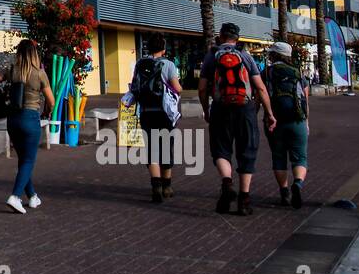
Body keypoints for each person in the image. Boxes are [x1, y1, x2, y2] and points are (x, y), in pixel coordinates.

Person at [198, 23, 276, 216]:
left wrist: (206, 109)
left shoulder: (211, 56)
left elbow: (201, 88)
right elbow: (260, 88)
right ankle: (244, 199)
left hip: (220, 108)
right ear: (237, 38)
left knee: (221, 150)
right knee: (247, 151)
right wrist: (269, 113)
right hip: (245, 109)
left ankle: (226, 182)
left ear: (221, 36)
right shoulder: (245, 56)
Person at [0, 39, 55, 213]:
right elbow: (51, 101)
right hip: (30, 118)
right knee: (29, 160)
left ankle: (32, 197)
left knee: (23, 160)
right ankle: (15, 196)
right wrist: (47, 111)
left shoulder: (11, 70)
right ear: (34, 54)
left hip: (13, 119)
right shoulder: (39, 73)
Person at [121, 34, 184, 203]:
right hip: (164, 113)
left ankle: (155, 186)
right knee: (166, 147)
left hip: (146, 112)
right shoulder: (168, 65)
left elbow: (135, 86)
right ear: (163, 48)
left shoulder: (140, 64)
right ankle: (167, 186)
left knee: (151, 149)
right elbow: (177, 88)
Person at [262, 41, 309, 208]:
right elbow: (304, 97)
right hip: (298, 119)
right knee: (300, 157)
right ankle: (298, 183)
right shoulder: (297, 72)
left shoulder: (266, 72)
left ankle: (284, 192)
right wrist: (306, 120)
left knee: (279, 157)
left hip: (274, 120)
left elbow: (260, 94)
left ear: (273, 55)